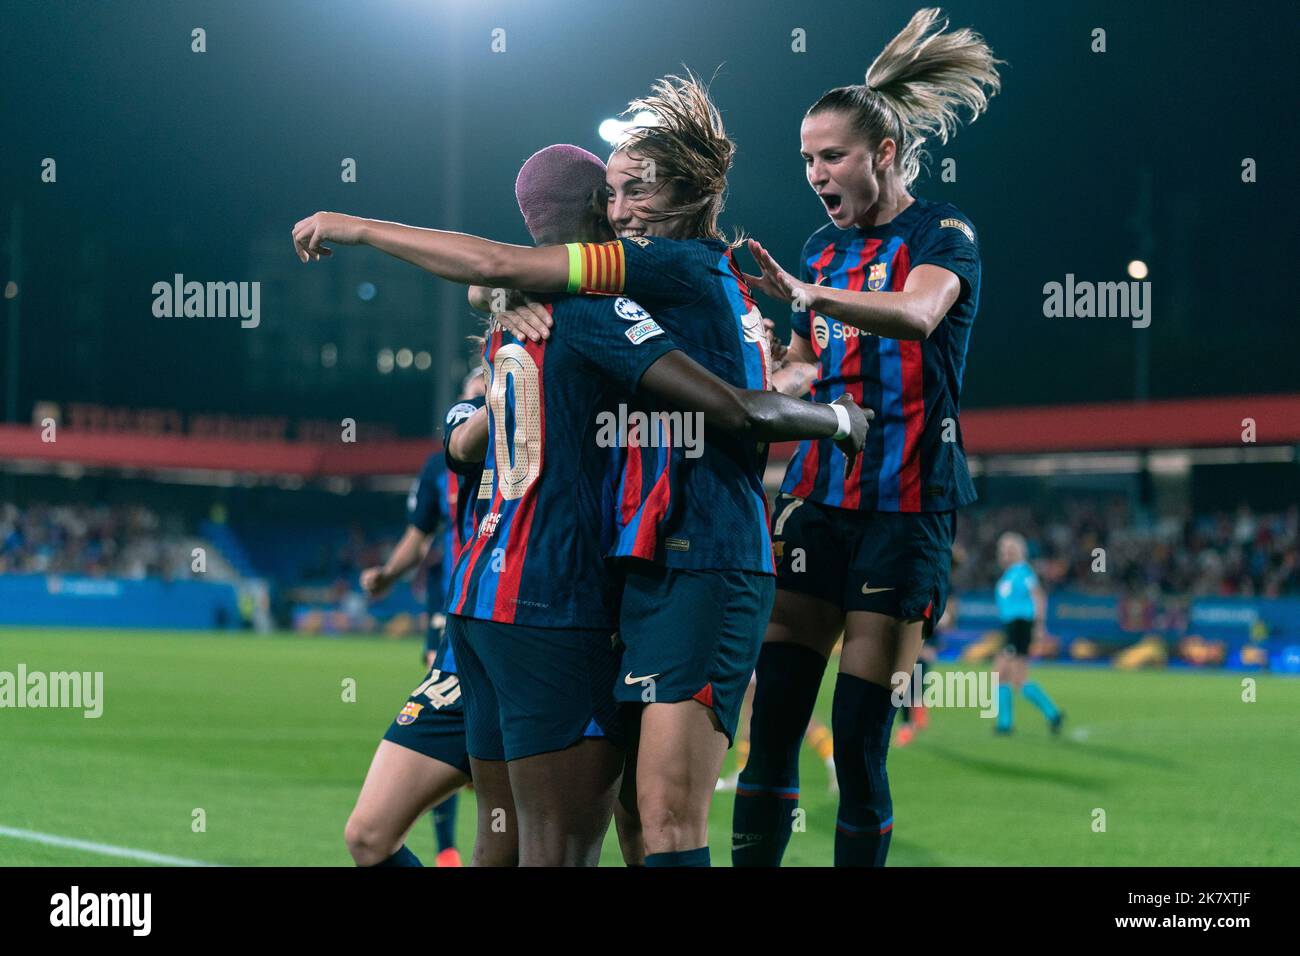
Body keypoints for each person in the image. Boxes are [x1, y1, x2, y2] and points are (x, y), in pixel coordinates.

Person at [731, 7, 1002, 867]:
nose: (815, 172)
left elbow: (920, 316)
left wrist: (809, 297)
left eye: (831, 155)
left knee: (856, 741)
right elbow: (805, 374)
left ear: (882, 155)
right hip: (817, 502)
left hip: (907, 511)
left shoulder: (944, 235)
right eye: (808, 157)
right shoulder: (821, 246)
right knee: (772, 724)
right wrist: (761, 375)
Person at [343, 371, 487, 867]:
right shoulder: (444, 461)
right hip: (455, 619)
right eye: (474, 379)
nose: (478, 384)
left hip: (535, 638)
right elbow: (418, 534)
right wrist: (387, 575)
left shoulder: (558, 433)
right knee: (368, 833)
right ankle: (446, 844)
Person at [993, 532, 1064, 736]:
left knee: (1009, 676)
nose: (1005, 554)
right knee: (1009, 678)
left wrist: (1039, 626)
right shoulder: (1010, 574)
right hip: (1012, 627)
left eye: (1010, 550)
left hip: (1020, 627)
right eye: (1003, 550)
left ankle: (1010, 723)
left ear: (1020, 552)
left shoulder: (1023, 572)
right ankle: (1048, 715)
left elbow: (1039, 597)